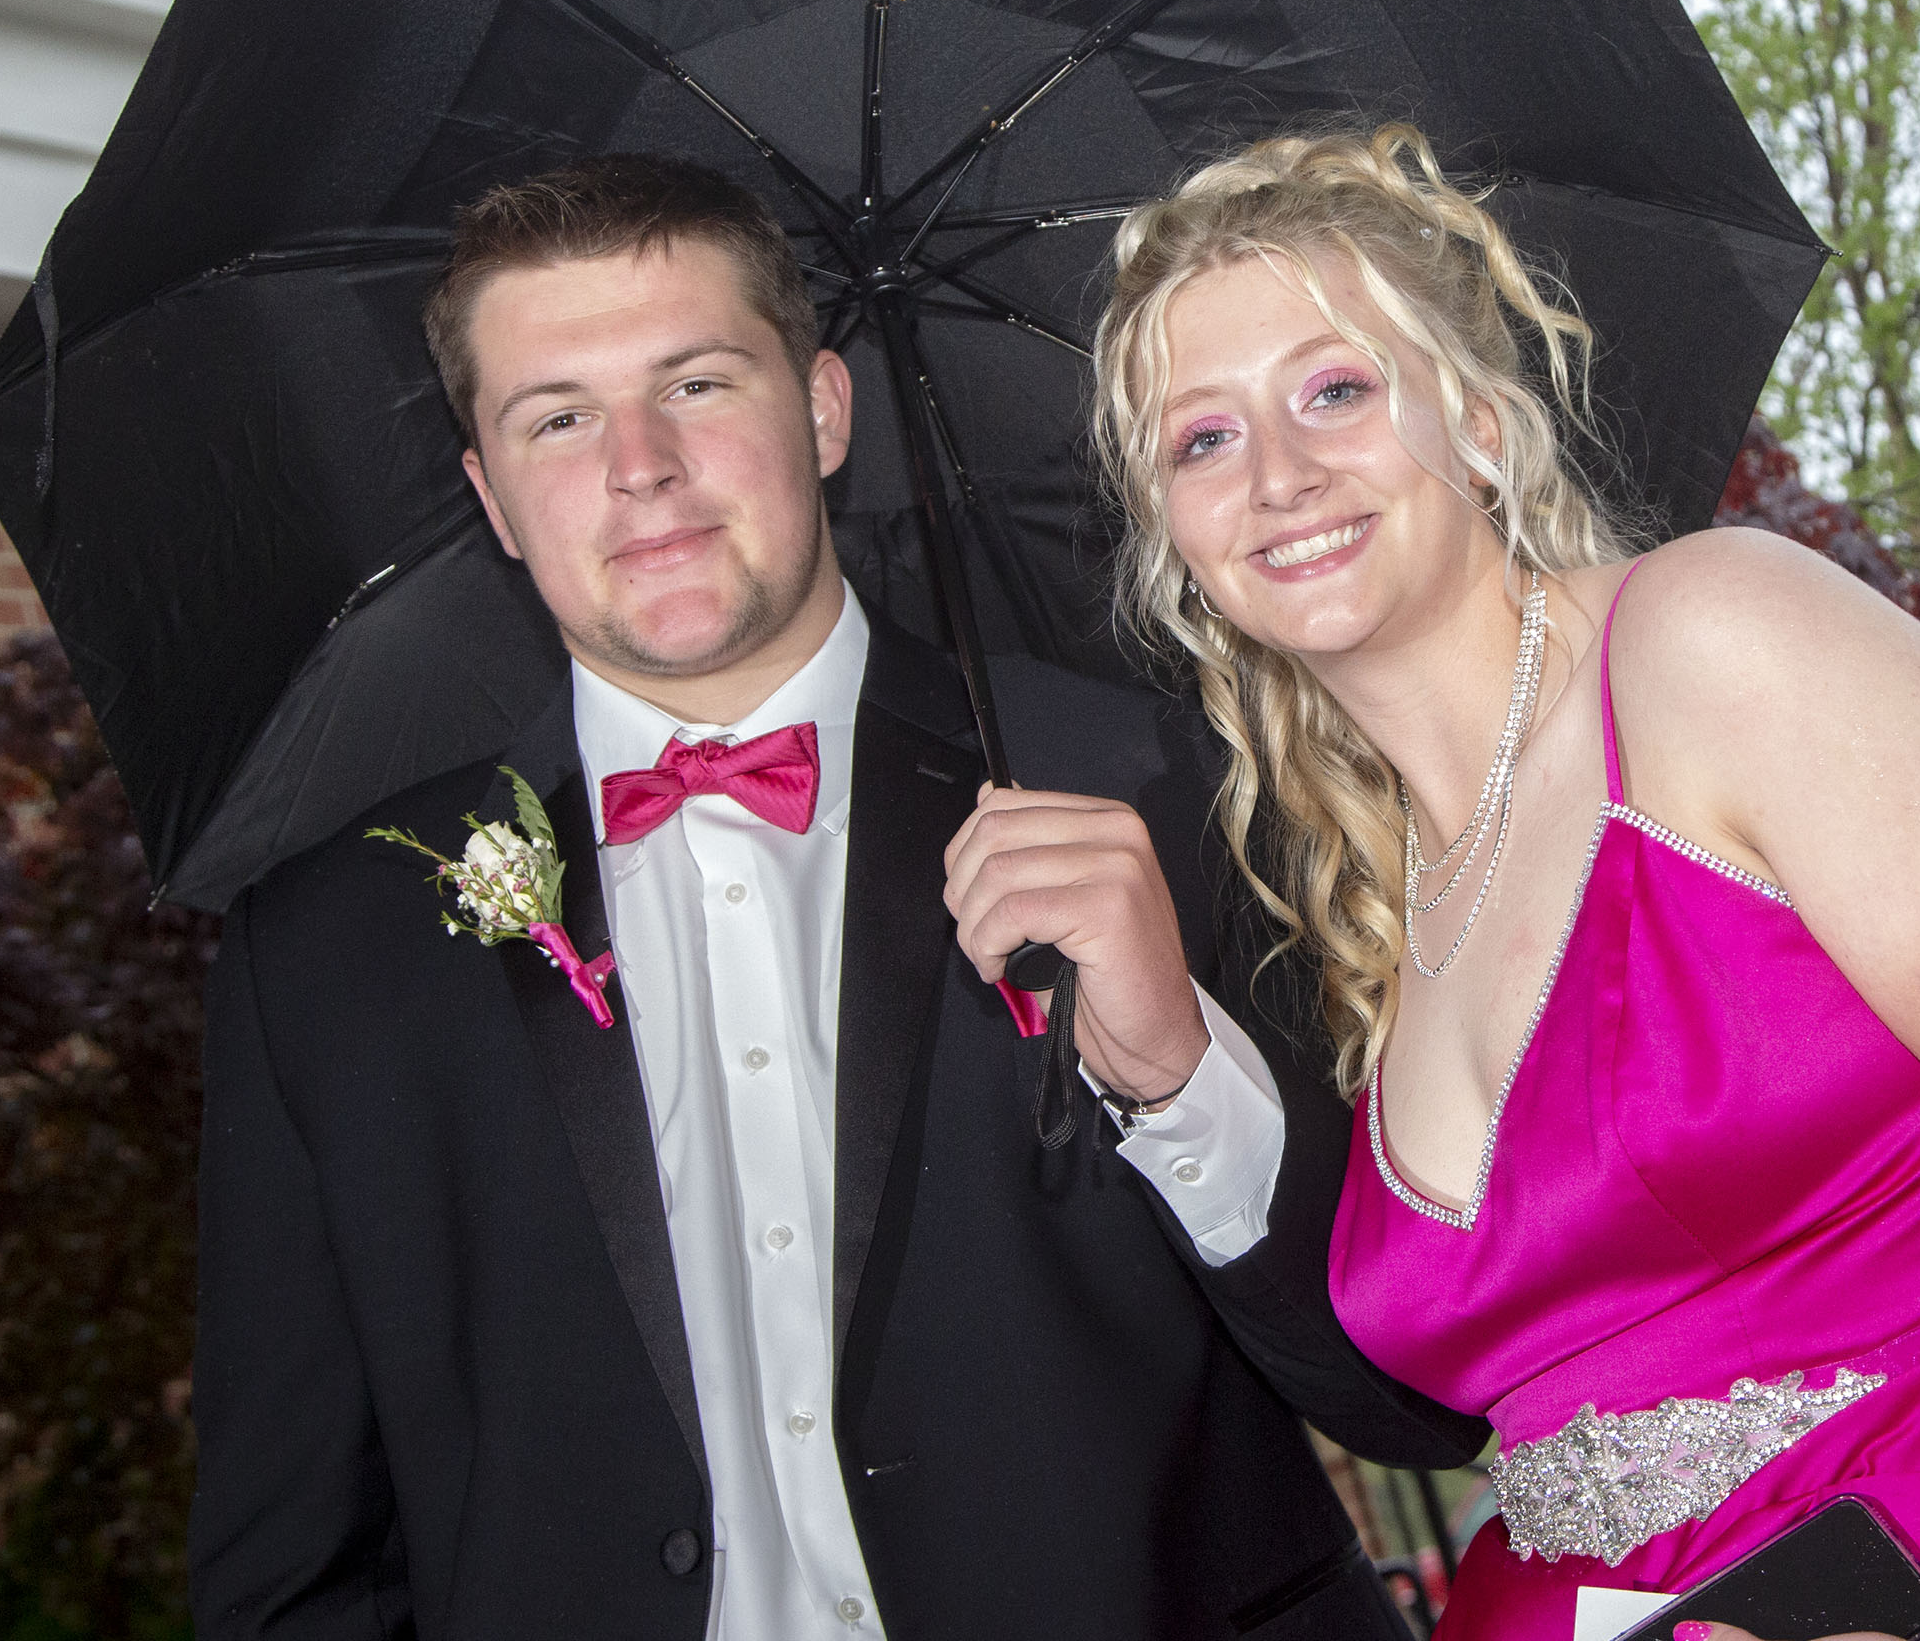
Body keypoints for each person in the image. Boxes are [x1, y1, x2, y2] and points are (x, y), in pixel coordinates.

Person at [188, 154, 1483, 1641]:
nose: (640, 466)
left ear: (822, 410)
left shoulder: (1158, 775)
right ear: (489, 493)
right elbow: (294, 1573)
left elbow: (1415, 1399)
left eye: (696, 383)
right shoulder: (328, 952)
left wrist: (1183, 1070)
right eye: (559, 418)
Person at [1086, 125, 1920, 1641]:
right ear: (1176, 538)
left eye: (1336, 390)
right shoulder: (1379, 915)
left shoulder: (1710, 645)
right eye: (1203, 439)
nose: (1279, 475)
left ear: (1481, 424)